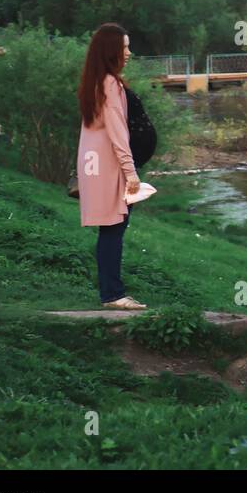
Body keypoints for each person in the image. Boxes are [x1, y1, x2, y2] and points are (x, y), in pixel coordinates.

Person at [77, 23, 146, 310]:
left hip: (92, 165)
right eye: (124, 47)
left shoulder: (93, 82)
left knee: (109, 229)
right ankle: (113, 295)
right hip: (109, 167)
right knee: (114, 229)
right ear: (111, 51)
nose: (129, 53)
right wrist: (130, 172)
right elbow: (119, 132)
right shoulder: (110, 84)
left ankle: (111, 293)